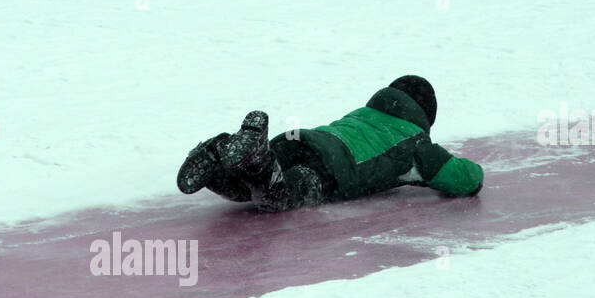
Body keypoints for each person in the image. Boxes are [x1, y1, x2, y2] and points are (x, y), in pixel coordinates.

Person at [176, 75, 483, 212]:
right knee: (281, 196)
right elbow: (461, 178)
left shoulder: (364, 113)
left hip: (303, 139)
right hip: (331, 167)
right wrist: (477, 176)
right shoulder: (416, 142)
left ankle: (218, 160)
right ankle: (257, 157)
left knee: (249, 188)